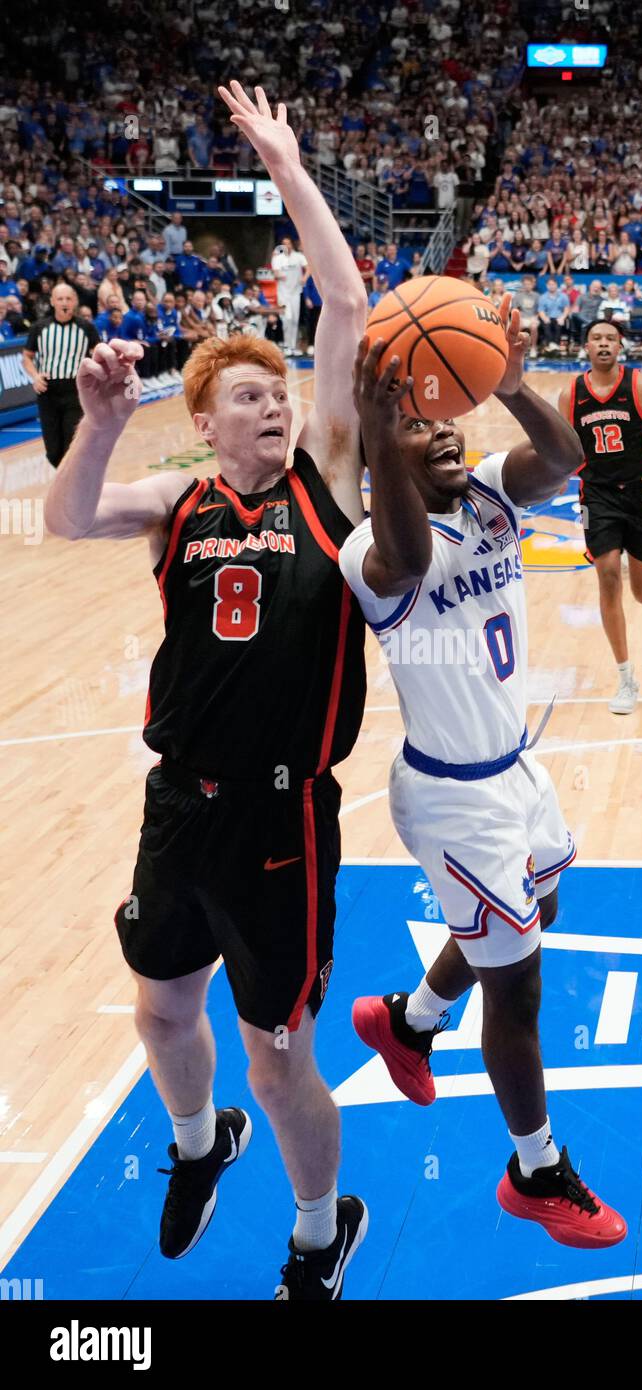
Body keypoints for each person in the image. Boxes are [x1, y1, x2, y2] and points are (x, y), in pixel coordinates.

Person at [43, 81, 370, 1303]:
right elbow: (69, 516)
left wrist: (287, 164)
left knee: (279, 1055)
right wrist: (99, 421)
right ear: (206, 418)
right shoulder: (176, 503)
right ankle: (198, 1144)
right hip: (179, 800)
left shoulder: (324, 480)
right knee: (161, 1016)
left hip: (283, 817)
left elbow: (342, 302)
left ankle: (315, 1227)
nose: (275, 402)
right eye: (249, 393)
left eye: (281, 391)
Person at [341, 303, 628, 1251]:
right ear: (390, 451)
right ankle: (535, 1168)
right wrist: (383, 430)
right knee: (518, 989)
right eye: (423, 423)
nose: (446, 429)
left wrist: (505, 379)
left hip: (515, 772)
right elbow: (413, 555)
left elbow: (563, 458)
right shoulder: (368, 548)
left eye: (447, 413)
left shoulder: (491, 498)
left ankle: (411, 1021)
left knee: (536, 914)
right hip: (453, 798)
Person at [557, 320, 642, 714]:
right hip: (596, 496)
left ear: (620, 346)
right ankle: (626, 676)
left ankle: (634, 557)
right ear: (587, 347)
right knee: (607, 573)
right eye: (597, 338)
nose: (604, 344)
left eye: (611, 338)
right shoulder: (570, 394)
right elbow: (562, 447)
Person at [22, 283, 99, 467]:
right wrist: (35, 376)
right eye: (60, 298)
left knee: (70, 445)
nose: (65, 302)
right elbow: (26, 357)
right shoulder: (39, 328)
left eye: (68, 298)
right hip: (48, 391)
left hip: (75, 390)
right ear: (52, 302)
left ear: (75, 302)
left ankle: (71, 488)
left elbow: (98, 354)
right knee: (53, 450)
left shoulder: (86, 328)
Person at [271, 236, 307, 357]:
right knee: (287, 319)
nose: (287, 246)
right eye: (284, 244)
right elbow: (275, 273)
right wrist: (279, 276)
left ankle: (293, 346)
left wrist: (304, 278)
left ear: (292, 245)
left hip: (295, 293)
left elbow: (309, 268)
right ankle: (286, 345)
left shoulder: (299, 257)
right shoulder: (277, 259)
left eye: (289, 243)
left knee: (295, 319)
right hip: (283, 294)